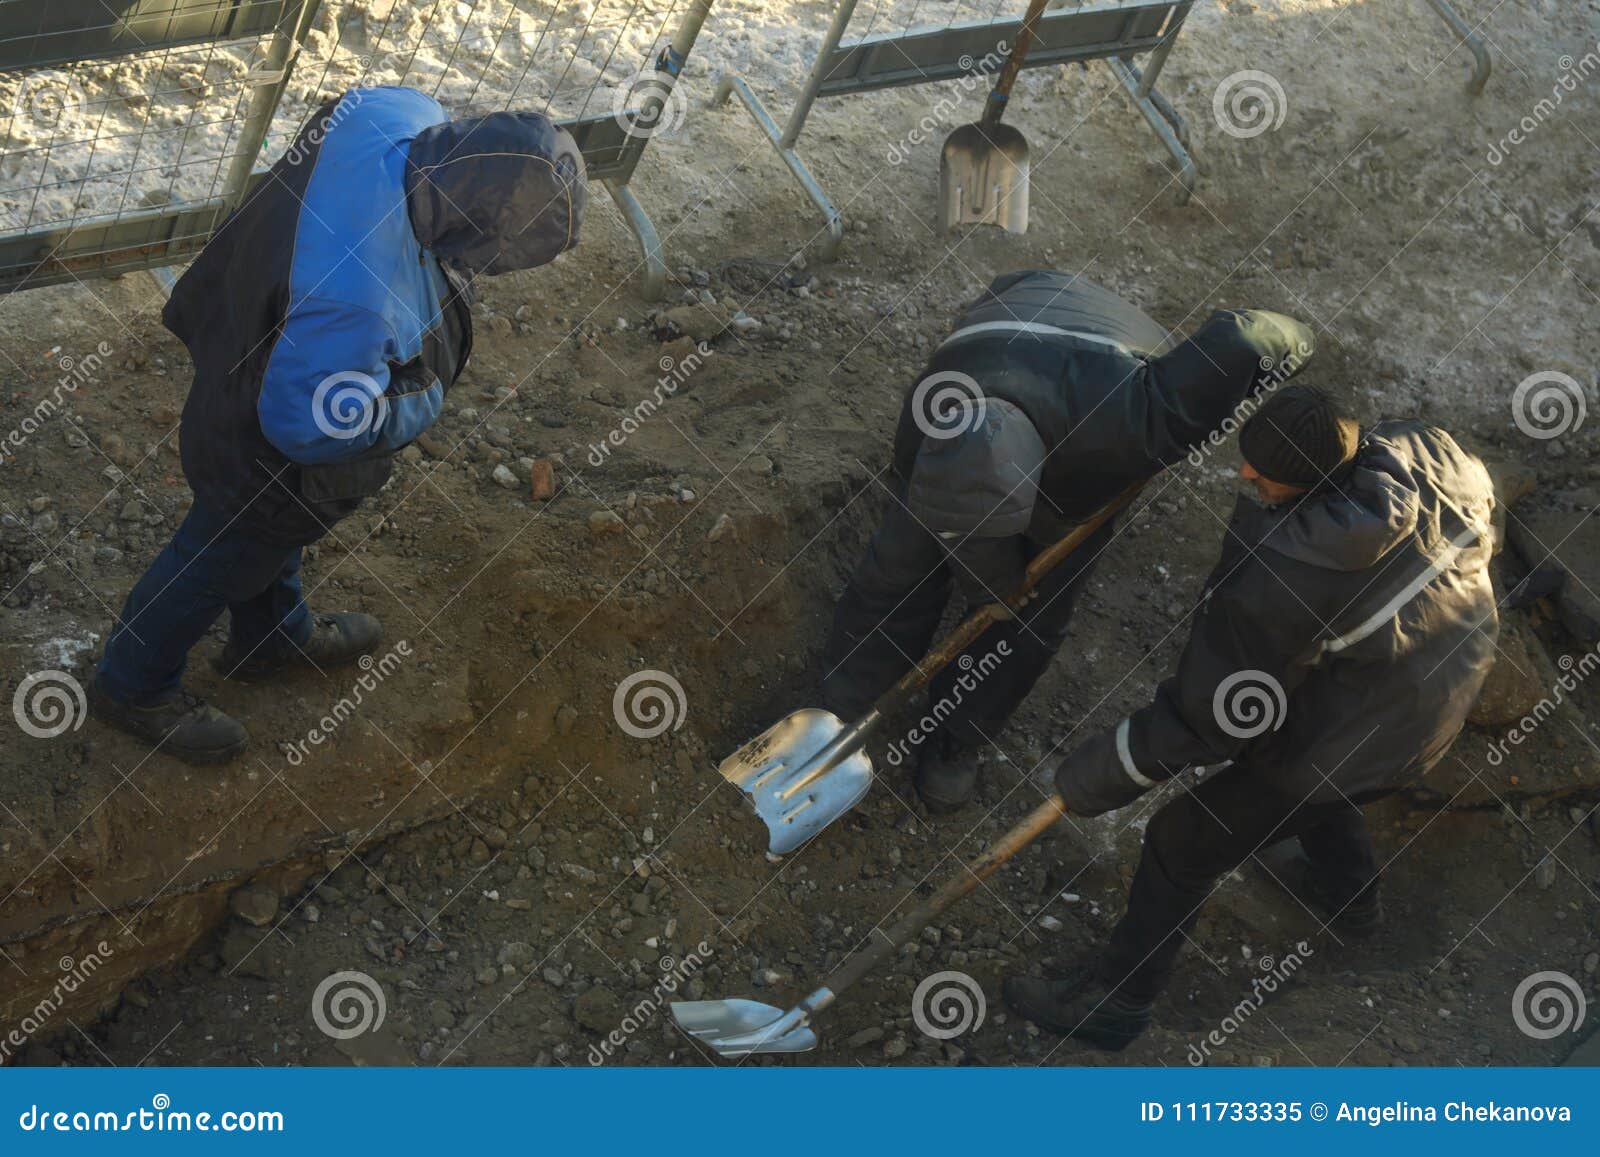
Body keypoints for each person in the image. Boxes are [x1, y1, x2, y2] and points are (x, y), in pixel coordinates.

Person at [90, 86, 586, 764]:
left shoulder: (403, 115)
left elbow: (340, 110)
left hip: (246, 323)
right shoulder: (356, 299)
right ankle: (132, 683)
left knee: (270, 536)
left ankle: (269, 635)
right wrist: (420, 402)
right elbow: (305, 429)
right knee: (218, 554)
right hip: (261, 445)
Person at [1004, 384, 1499, 1051]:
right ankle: (1350, 901)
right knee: (1332, 762)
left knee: (1184, 838)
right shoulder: (1425, 453)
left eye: (1261, 474)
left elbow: (1211, 714)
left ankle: (1115, 1004)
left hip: (1375, 720)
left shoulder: (1287, 575)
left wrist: (1105, 768)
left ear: (1307, 482)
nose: (1244, 475)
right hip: (1445, 683)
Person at [820, 270, 1315, 812]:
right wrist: (992, 584)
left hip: (1108, 371)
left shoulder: (1144, 417)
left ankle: (956, 737)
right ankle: (837, 716)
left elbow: (1252, 336)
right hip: (1010, 320)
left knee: (1033, 615)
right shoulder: (930, 413)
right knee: (896, 570)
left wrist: (1294, 351)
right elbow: (947, 525)